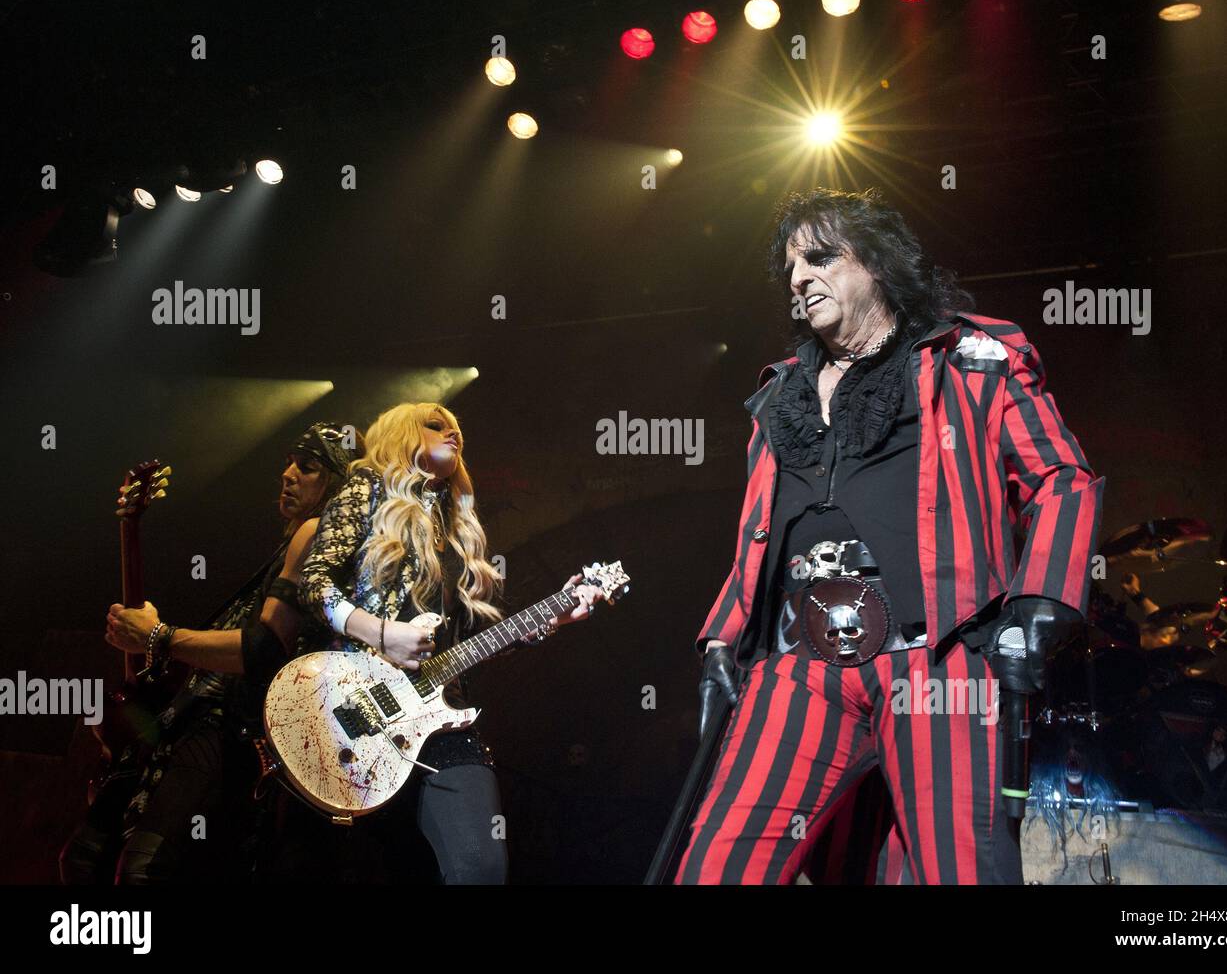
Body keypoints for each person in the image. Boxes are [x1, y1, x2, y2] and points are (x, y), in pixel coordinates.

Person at [677, 187, 1104, 885]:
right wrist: (724, 636)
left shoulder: (972, 360)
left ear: (875, 263)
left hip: (934, 657)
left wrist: (1039, 605)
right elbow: (760, 534)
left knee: (958, 868)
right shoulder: (779, 394)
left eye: (819, 258)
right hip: (798, 662)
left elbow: (1063, 479)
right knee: (719, 861)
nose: (798, 278)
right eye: (790, 267)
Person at [295, 401, 604, 884]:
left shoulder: (458, 524)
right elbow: (313, 583)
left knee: (480, 866)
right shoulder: (367, 487)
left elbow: (471, 642)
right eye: (436, 424)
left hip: (442, 720)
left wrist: (552, 617)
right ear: (401, 435)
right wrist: (381, 634)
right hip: (358, 707)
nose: (453, 433)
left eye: (457, 427)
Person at [64, 422, 359, 883]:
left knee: (143, 871)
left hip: (226, 726)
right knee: (84, 860)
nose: (287, 474)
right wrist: (152, 641)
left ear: (339, 484)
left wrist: (159, 635)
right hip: (186, 716)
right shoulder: (287, 545)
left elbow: (262, 651)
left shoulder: (320, 537)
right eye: (288, 462)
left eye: (308, 467)